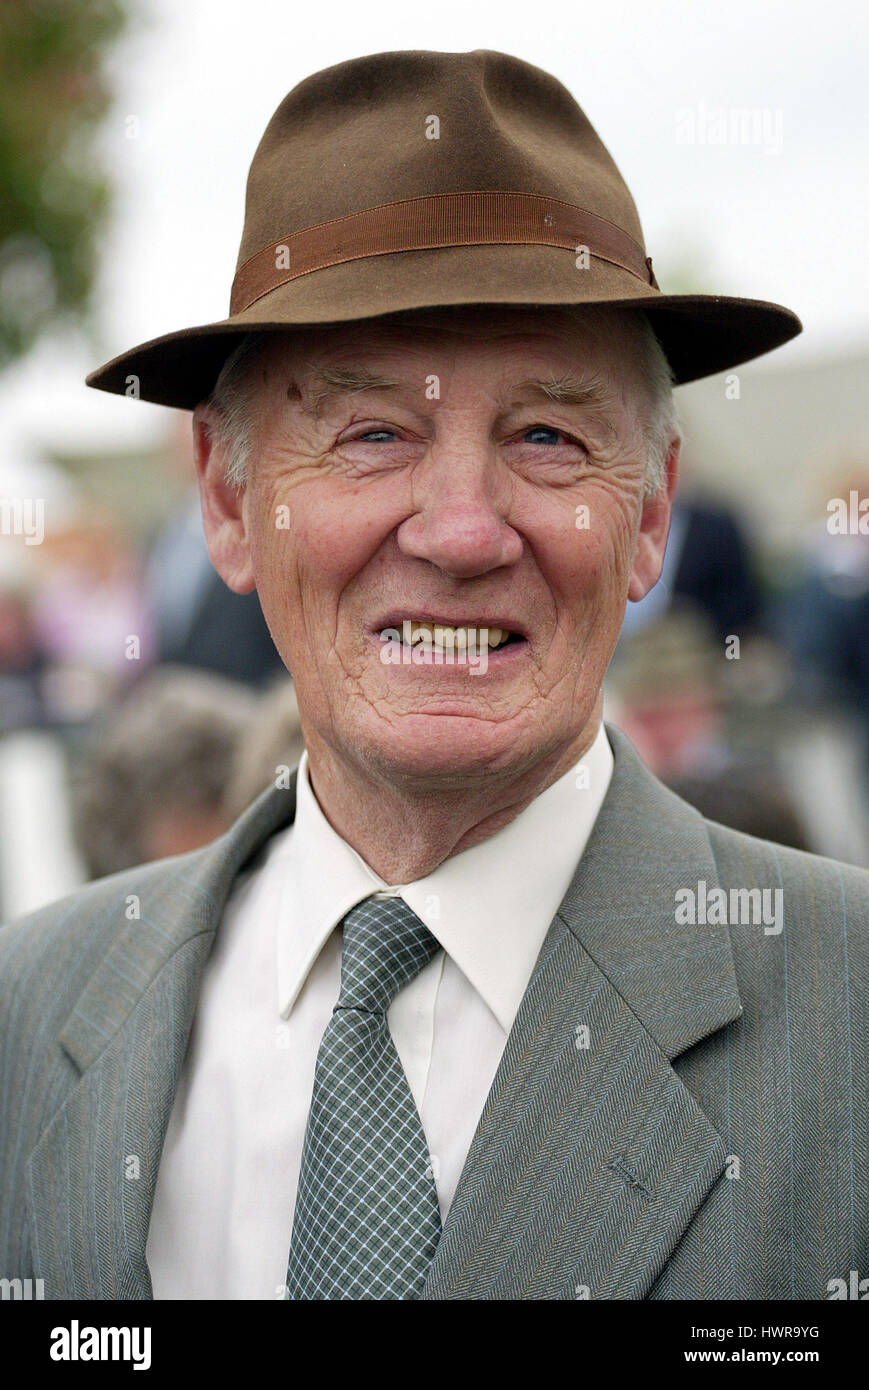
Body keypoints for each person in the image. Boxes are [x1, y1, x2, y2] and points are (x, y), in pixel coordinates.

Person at [1, 49, 865, 1303]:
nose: (461, 530)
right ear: (230, 501)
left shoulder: (842, 1019)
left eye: (545, 436)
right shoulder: (33, 1013)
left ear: (651, 513)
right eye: (369, 435)